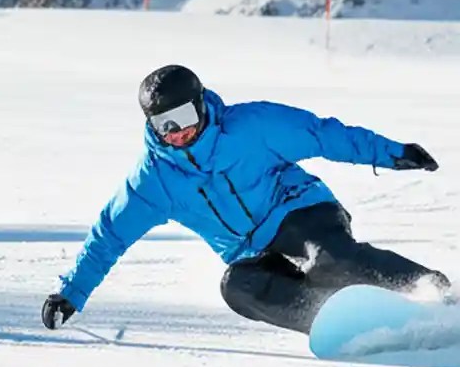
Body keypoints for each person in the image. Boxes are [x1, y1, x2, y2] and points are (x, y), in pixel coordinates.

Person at [41, 64, 448, 335]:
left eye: (183, 118)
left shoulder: (252, 126)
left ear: (200, 104)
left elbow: (325, 134)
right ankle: (338, 322)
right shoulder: (154, 180)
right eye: (164, 125)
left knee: (330, 262)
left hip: (299, 209)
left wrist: (392, 153)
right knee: (238, 288)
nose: (177, 132)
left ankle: (436, 294)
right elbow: (109, 235)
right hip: (247, 250)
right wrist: (71, 294)